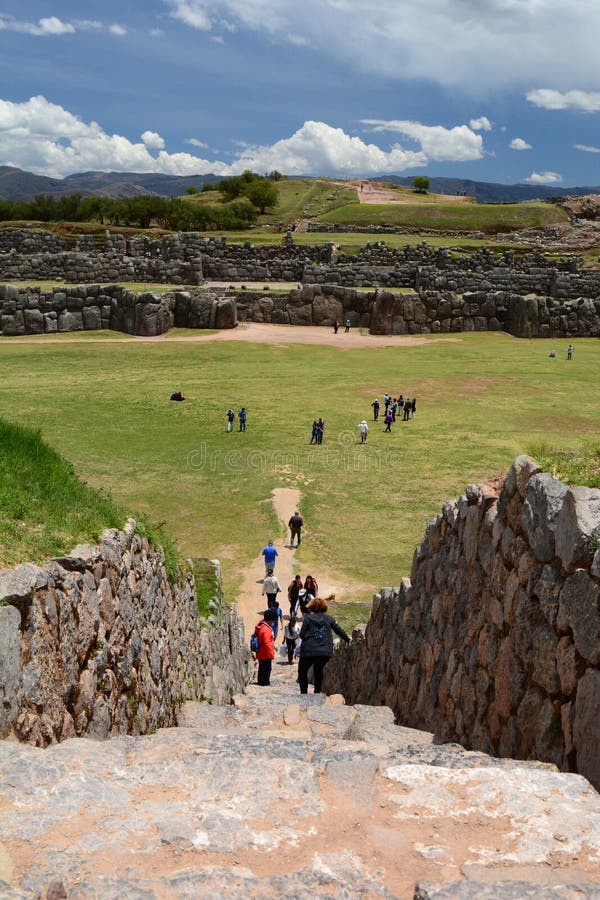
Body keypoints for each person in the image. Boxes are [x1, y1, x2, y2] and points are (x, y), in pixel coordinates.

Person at [298, 596, 350, 694]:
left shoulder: (308, 618)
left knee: (302, 671)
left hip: (309, 651)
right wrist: (347, 639)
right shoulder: (329, 618)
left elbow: (302, 634)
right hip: (324, 651)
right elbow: (339, 630)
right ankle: (317, 692)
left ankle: (303, 694)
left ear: (312, 607)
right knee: (319, 670)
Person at [253, 609, 276, 686]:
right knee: (267, 668)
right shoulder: (266, 629)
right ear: (270, 620)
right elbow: (267, 643)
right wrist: (271, 653)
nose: (273, 622)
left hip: (261, 652)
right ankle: (264, 683)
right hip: (266, 652)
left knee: (262, 667)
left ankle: (261, 682)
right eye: (272, 620)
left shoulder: (261, 625)